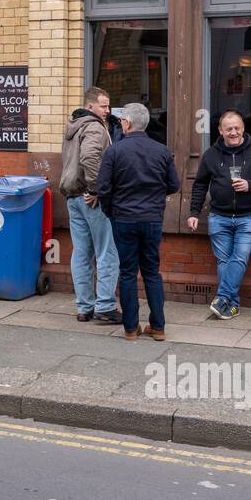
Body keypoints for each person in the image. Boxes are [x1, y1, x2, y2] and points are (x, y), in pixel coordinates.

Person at [96, 102, 180, 340]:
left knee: (128, 272)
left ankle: (131, 328)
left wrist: (110, 211)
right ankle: (159, 327)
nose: (121, 123)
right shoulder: (162, 151)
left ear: (127, 123)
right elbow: (173, 185)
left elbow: (103, 188)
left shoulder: (115, 151)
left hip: (123, 218)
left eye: (122, 120)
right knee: (152, 272)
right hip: (152, 218)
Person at [188, 110, 251, 319]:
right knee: (224, 261)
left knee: (238, 258)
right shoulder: (211, 154)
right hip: (219, 216)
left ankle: (221, 297)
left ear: (243, 128)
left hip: (249, 216)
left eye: (237, 127)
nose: (233, 132)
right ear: (220, 131)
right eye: (228, 128)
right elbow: (200, 184)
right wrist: (194, 212)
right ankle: (232, 304)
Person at [59, 87, 121, 325]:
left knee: (82, 253)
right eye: (103, 106)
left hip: (73, 197)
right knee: (107, 252)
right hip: (90, 198)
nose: (107, 110)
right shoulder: (94, 126)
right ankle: (105, 306)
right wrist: (97, 190)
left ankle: (84, 307)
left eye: (108, 106)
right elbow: (90, 158)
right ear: (90, 106)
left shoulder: (73, 126)